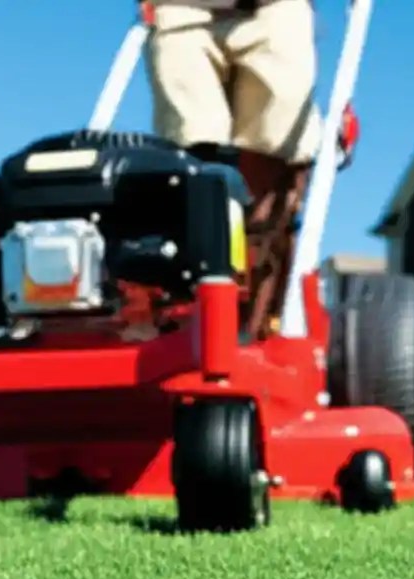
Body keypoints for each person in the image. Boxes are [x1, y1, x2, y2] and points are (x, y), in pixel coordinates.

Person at [140, 0, 324, 339]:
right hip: (184, 7)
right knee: (189, 141)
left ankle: (261, 321)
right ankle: (192, 306)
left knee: (276, 139)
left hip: (274, 7)